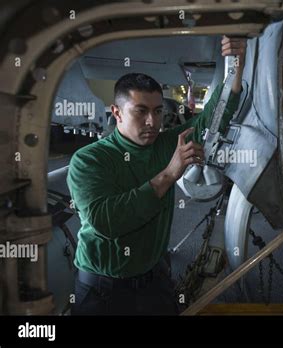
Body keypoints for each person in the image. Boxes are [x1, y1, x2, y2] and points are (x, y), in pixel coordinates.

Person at [66, 36, 247, 315]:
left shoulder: (166, 144)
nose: (152, 121)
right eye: (141, 111)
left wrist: (235, 66)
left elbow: (213, 118)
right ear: (116, 113)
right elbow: (108, 222)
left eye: (158, 111)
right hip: (103, 287)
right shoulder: (89, 160)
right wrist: (170, 173)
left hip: (155, 279)